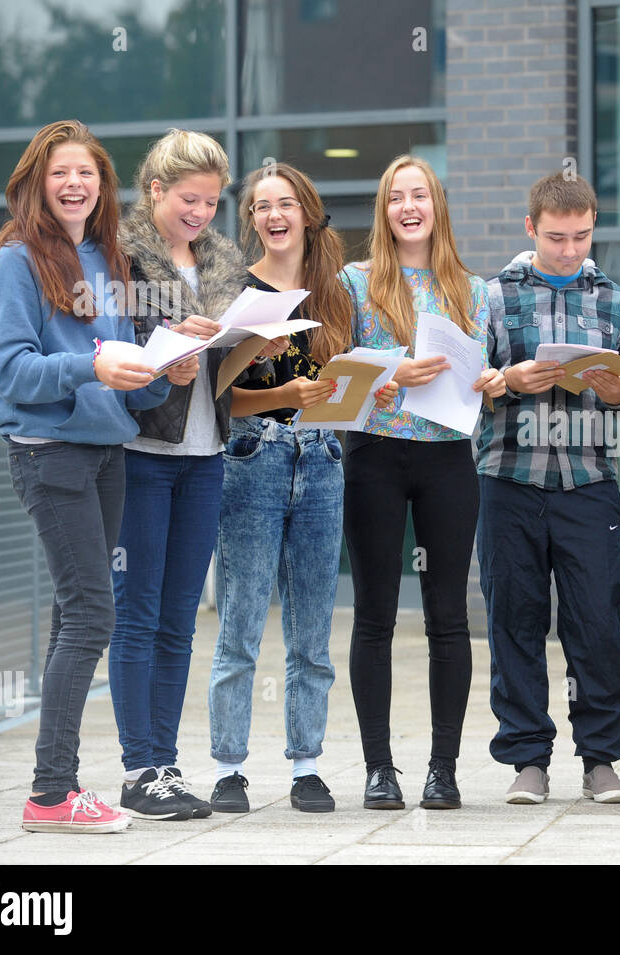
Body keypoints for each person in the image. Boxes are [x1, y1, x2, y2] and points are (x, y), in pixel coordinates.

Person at [0, 120, 195, 832]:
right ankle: (51, 792)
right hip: (50, 453)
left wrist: (165, 372)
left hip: (106, 455)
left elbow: (126, 378)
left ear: (103, 186)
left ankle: (56, 788)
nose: (74, 184)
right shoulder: (15, 263)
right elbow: (12, 373)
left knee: (76, 614)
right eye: (60, 172)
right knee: (96, 613)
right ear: (36, 183)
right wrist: (91, 366)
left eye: (87, 173)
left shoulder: (104, 259)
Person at [206, 162, 396, 814]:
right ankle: (229, 766)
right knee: (240, 623)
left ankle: (307, 766)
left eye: (286, 203)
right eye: (262, 206)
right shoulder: (234, 290)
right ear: (253, 219)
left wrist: (367, 387)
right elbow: (217, 398)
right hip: (253, 457)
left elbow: (346, 383)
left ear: (308, 215)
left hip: (320, 461)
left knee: (312, 628)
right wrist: (283, 392)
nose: (274, 214)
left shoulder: (333, 294)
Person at [475, 172, 620, 805]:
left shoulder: (617, 302)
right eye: (556, 237)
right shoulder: (492, 298)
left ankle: (601, 759)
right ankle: (528, 760)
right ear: (530, 229)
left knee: (598, 624)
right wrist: (507, 379)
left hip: (588, 485)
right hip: (509, 480)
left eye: (581, 236)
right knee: (514, 621)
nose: (570, 250)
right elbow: (467, 389)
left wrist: (618, 392)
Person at [111, 129, 274, 821]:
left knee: (179, 619)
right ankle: (138, 768)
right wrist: (167, 354)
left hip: (207, 455)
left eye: (211, 201)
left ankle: (167, 764)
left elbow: (229, 357)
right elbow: (109, 349)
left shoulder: (225, 259)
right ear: (154, 190)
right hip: (144, 452)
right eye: (189, 199)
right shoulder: (119, 258)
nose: (201, 213)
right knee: (137, 614)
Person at [340, 155, 505, 811]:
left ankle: (444, 769)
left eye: (420, 195)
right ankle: (380, 768)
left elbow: (482, 375)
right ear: (384, 211)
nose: (409, 206)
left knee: (448, 619)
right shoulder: (355, 284)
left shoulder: (474, 289)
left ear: (437, 206)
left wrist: (491, 383)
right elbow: (337, 376)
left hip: (445, 460)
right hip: (375, 456)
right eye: (396, 197)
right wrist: (388, 377)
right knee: (374, 615)